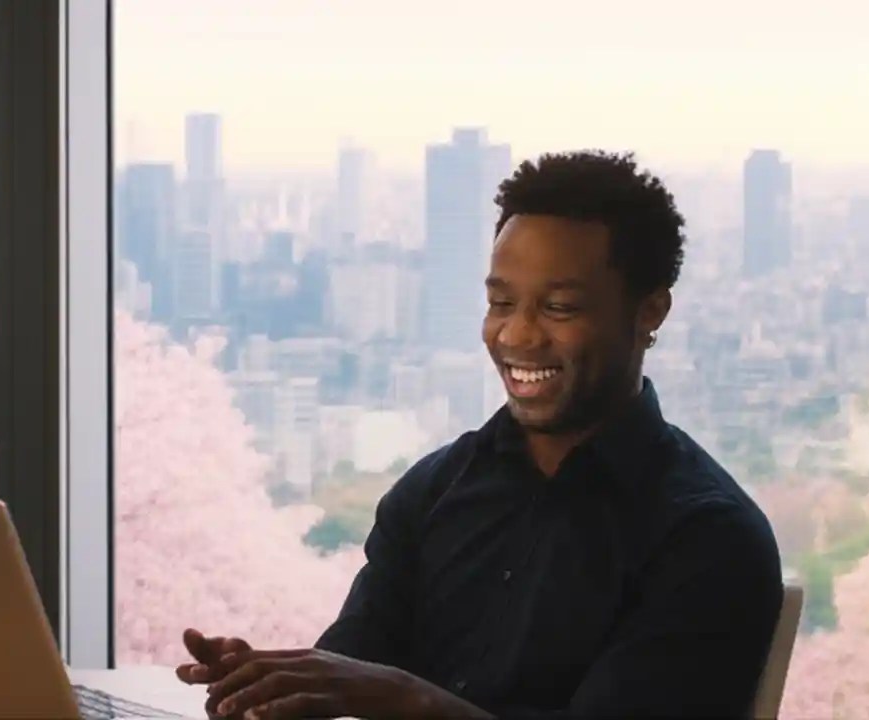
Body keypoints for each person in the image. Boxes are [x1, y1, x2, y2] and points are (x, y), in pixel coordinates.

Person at [176, 150, 783, 719]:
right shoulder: (436, 489)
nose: (516, 336)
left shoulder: (706, 538)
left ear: (650, 312)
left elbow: (375, 686)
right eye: (500, 303)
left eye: (559, 308)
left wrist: (408, 698)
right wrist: (267, 686)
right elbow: (350, 667)